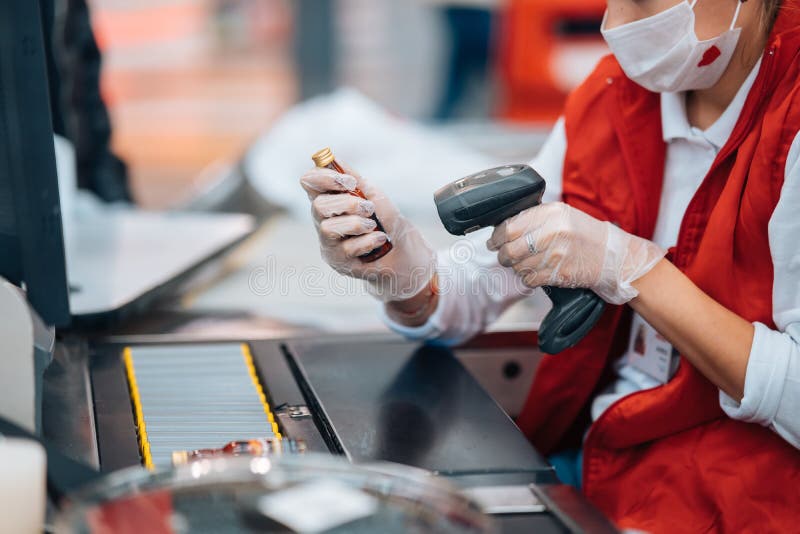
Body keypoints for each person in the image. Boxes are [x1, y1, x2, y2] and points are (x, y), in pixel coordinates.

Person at [299, 0, 800, 530]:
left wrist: (635, 272)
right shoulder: (616, 93)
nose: (622, 23)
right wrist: (403, 273)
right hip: (606, 462)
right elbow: (499, 268)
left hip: (744, 499)